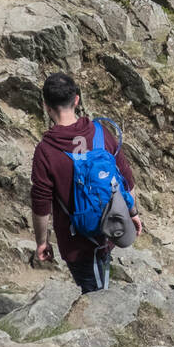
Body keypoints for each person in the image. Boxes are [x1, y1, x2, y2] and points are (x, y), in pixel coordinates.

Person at [31, 72, 142, 293]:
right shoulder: (101, 132)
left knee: (93, 294)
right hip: (111, 227)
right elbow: (126, 180)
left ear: (46, 106)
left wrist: (42, 242)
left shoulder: (46, 150)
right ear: (76, 100)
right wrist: (132, 212)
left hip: (76, 242)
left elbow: (41, 204)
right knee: (101, 285)